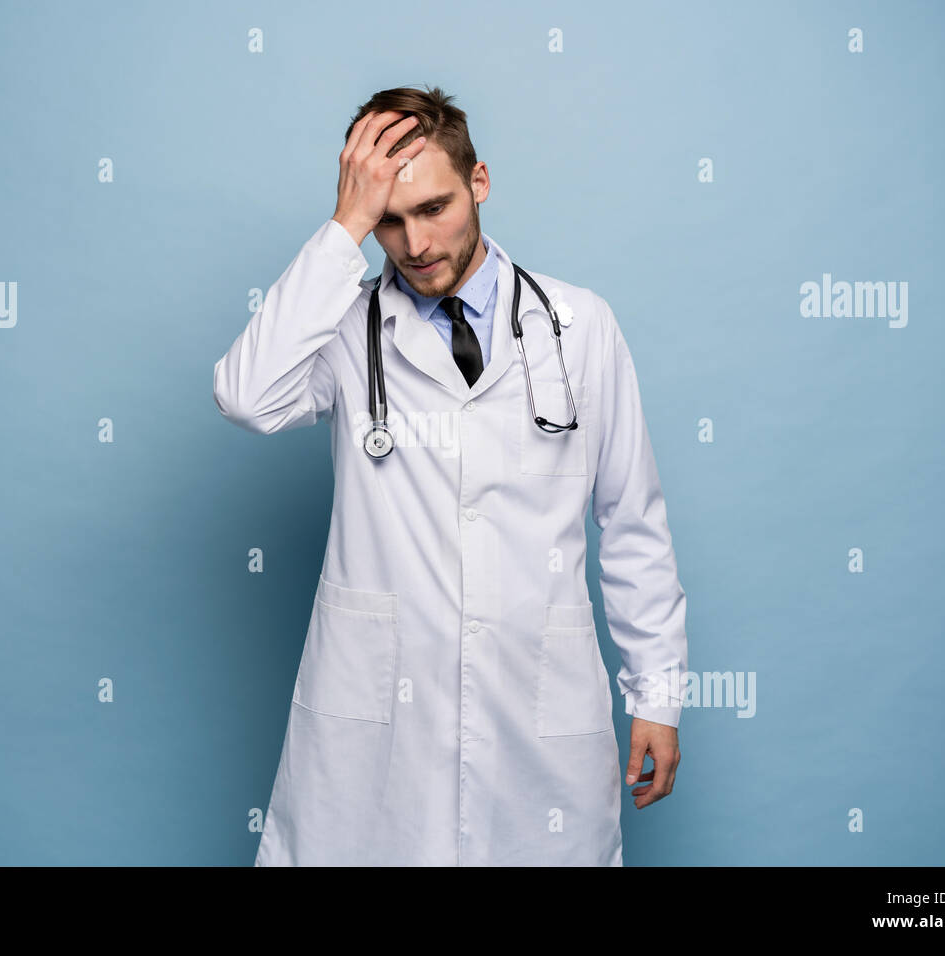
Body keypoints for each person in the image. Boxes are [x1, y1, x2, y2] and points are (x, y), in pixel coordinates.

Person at [213, 85, 688, 866]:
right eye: (389, 222)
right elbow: (245, 397)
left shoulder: (580, 325)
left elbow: (632, 522)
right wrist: (344, 227)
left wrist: (658, 696)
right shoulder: (343, 329)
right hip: (380, 724)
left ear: (480, 183)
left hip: (538, 707)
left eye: (433, 208)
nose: (415, 243)